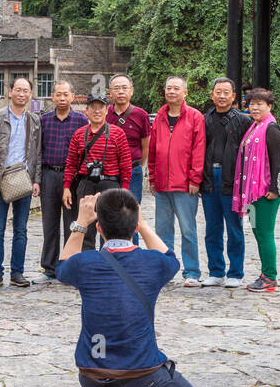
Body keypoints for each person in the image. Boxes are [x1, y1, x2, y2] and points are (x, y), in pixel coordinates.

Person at [57, 188, 205, 387]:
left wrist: (80, 224)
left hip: (92, 380)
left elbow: (63, 266)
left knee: (108, 341)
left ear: (99, 228)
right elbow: (172, 258)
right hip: (142, 381)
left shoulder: (85, 264)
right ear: (135, 227)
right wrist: (145, 224)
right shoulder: (154, 264)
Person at [147, 76, 206, 286]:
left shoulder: (194, 117)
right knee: (162, 231)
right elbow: (153, 150)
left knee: (188, 229)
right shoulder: (160, 116)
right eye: (169, 88)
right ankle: (164, 271)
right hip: (162, 184)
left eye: (176, 88)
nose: (172, 92)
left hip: (185, 184)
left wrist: (195, 178)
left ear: (185, 93)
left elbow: (199, 150)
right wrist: (152, 178)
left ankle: (191, 272)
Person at [0, 78, 41, 288]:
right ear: (10, 92)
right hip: (1, 180)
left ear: (30, 94)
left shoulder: (34, 121)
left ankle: (17, 272)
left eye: (25, 91)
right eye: (18, 90)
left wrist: (37, 180)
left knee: (21, 229)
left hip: (24, 180)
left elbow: (38, 152)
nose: (21, 94)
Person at [200, 76, 252, 287]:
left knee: (234, 227)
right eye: (217, 92)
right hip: (210, 177)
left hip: (232, 179)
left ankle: (235, 273)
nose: (221, 96)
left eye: (226, 93)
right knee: (212, 227)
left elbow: (248, 154)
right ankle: (216, 270)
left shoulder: (243, 120)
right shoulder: (205, 119)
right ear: (212, 95)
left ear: (233, 96)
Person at [233, 87, 280, 292]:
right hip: (253, 191)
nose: (254, 107)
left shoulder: (271, 128)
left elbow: (277, 160)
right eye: (251, 103)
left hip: (265, 192)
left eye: (259, 104)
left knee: (265, 233)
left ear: (269, 106)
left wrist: (274, 188)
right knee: (257, 232)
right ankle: (265, 274)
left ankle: (270, 277)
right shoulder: (255, 126)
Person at [63, 94, 132, 247]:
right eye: (92, 107)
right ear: (86, 110)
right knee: (86, 229)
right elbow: (71, 163)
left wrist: (125, 189)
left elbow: (126, 163)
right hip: (86, 183)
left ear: (107, 110)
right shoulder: (79, 134)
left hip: (110, 184)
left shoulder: (117, 133)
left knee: (111, 228)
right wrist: (67, 187)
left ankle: (109, 265)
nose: (97, 111)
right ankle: (89, 264)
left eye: (100, 107)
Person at [38, 82, 88, 279]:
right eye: (58, 94)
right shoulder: (44, 120)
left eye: (65, 94)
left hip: (73, 178)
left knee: (72, 223)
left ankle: (69, 266)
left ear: (72, 96)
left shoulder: (81, 121)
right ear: (52, 97)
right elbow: (38, 149)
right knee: (49, 223)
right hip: (49, 175)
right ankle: (49, 268)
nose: (62, 98)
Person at [107, 75, 150, 205]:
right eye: (116, 88)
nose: (121, 91)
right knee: (109, 210)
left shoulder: (141, 115)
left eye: (124, 88)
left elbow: (145, 145)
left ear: (131, 91)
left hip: (133, 171)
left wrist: (138, 164)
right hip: (109, 171)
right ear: (110, 92)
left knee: (131, 210)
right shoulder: (104, 113)